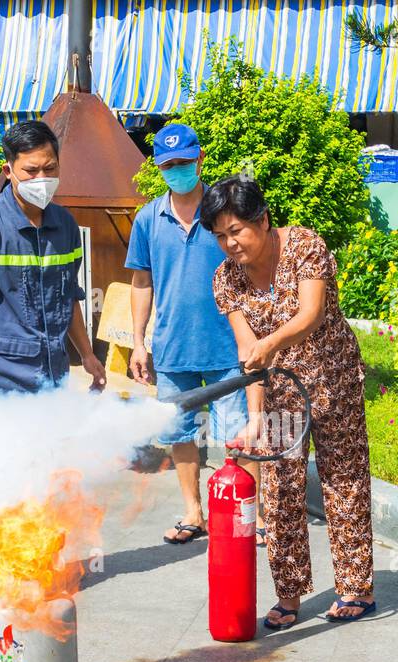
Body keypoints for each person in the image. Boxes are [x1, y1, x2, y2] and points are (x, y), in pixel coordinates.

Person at [203, 176, 376, 628]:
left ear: (262, 220)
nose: (229, 243)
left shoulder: (303, 245)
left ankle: (357, 587)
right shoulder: (226, 279)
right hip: (281, 395)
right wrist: (256, 417)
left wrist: (270, 344)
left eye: (236, 230)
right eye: (220, 235)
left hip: (333, 380)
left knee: (345, 482)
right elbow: (249, 353)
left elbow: (310, 315)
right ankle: (290, 596)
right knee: (279, 495)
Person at [126, 124, 265, 546]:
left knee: (237, 434)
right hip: (172, 348)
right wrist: (138, 342)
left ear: (199, 158)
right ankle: (193, 512)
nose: (177, 171)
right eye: (169, 165)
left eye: (184, 162)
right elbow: (141, 282)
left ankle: (249, 514)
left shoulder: (221, 214)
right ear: (158, 167)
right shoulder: (149, 218)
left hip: (228, 345)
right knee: (179, 435)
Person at [0, 120, 107, 405]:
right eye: (31, 171)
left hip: (53, 373)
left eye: (50, 168)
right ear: (9, 171)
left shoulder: (65, 225)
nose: (41, 178)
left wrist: (87, 355)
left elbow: (68, 298)